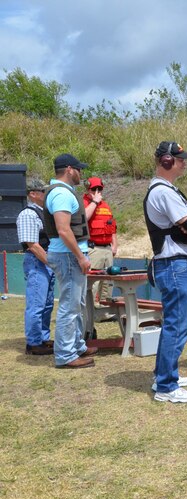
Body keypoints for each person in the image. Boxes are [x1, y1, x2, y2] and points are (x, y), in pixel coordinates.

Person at [144, 141, 187, 403]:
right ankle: (166, 386)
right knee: (177, 325)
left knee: (175, 323)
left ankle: (164, 375)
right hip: (174, 264)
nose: (184, 162)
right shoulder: (163, 192)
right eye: (179, 159)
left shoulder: (167, 189)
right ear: (167, 161)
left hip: (174, 263)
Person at [44, 154, 98, 369]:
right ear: (69, 169)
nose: (80, 173)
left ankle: (76, 345)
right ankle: (66, 355)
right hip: (68, 256)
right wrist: (80, 256)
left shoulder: (61, 192)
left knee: (77, 303)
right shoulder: (61, 194)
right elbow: (64, 230)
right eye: (78, 169)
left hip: (68, 255)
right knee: (70, 306)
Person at [17, 178, 55, 356]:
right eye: (43, 191)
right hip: (37, 261)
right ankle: (33, 342)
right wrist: (51, 262)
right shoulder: (28, 214)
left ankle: (43, 338)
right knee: (37, 304)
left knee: (47, 304)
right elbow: (32, 245)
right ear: (33, 194)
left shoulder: (41, 212)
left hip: (45, 261)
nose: (46, 194)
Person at [83, 177, 118, 302]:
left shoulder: (105, 206)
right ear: (88, 190)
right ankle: (90, 310)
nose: (97, 191)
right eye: (94, 189)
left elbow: (112, 226)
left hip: (107, 248)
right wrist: (95, 202)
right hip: (93, 248)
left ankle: (105, 308)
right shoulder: (84, 203)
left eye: (100, 189)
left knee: (108, 281)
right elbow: (85, 217)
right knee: (93, 283)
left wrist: (114, 245)